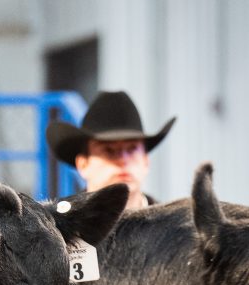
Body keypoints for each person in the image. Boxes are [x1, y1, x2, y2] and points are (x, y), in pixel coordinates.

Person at [46, 90, 175, 210]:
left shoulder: (174, 224)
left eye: (132, 149)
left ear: (146, 162)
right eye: (109, 150)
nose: (123, 160)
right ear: (83, 164)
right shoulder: (59, 225)